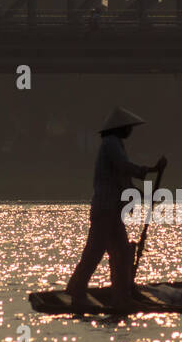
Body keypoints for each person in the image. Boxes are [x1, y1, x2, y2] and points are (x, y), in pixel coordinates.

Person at [66, 107, 166, 311]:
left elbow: (124, 183)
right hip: (106, 210)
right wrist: (149, 170)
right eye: (128, 127)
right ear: (120, 128)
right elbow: (124, 167)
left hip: (112, 212)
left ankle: (122, 295)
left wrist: (146, 195)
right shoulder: (111, 144)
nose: (130, 131)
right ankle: (77, 290)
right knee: (95, 252)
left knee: (121, 253)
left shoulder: (115, 145)